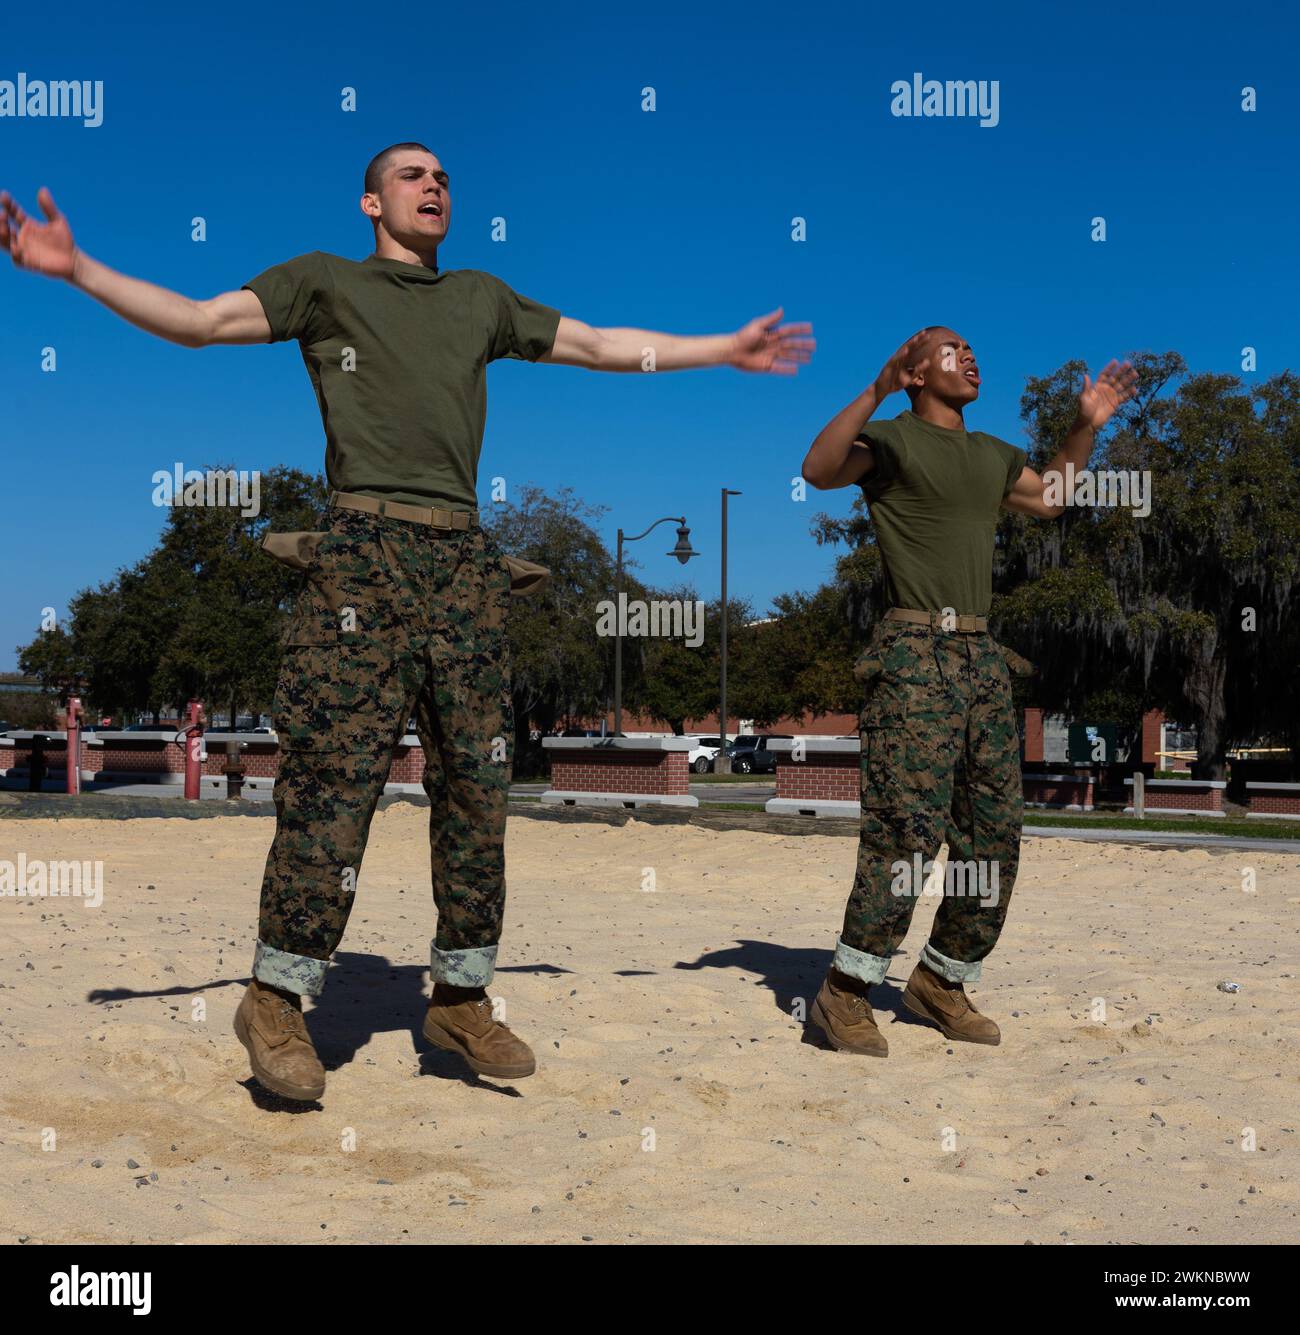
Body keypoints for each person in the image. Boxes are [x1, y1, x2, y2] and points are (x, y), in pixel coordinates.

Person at [2, 143, 814, 1102]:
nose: (434, 186)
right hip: (362, 557)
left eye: (444, 178)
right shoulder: (325, 283)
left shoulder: (480, 297)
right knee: (335, 783)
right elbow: (203, 321)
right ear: (369, 200)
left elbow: (598, 343)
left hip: (466, 564)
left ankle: (462, 994)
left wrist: (722, 348)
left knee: (478, 784)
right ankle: (275, 997)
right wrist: (79, 267)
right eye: (411, 175)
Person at [800, 327, 1136, 1056]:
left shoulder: (989, 455)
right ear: (917, 372)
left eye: (974, 349)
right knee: (907, 831)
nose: (971, 357)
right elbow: (819, 467)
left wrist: (1084, 426)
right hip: (913, 655)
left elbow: (1051, 497)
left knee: (993, 832)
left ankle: (940, 980)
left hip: (982, 658)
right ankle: (845, 990)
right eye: (952, 350)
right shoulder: (889, 440)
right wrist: (875, 387)